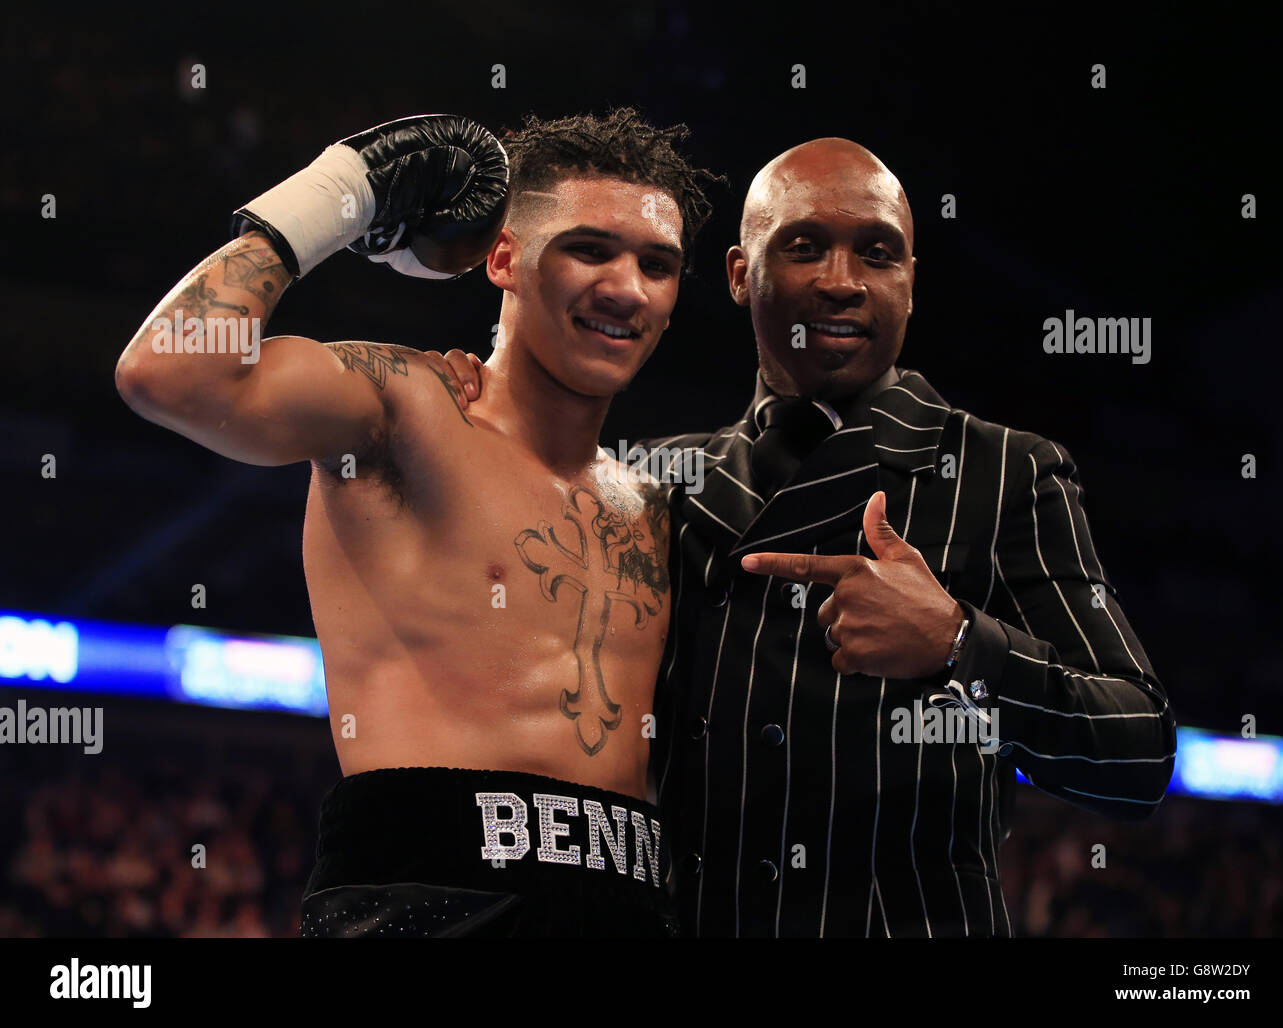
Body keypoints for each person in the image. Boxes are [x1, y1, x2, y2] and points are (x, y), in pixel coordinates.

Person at [443, 136, 1176, 937]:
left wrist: (960, 644)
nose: (841, 282)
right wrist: (481, 398)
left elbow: (1139, 755)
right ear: (737, 274)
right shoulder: (647, 485)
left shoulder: (1006, 472)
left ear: (910, 283)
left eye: (877, 254)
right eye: (803, 247)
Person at [115, 108, 720, 937]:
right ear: (503, 257)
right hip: (428, 900)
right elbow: (170, 375)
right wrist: (340, 192)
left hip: (633, 902)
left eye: (658, 264)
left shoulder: (656, 510)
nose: (626, 287)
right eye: (589, 248)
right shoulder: (404, 410)